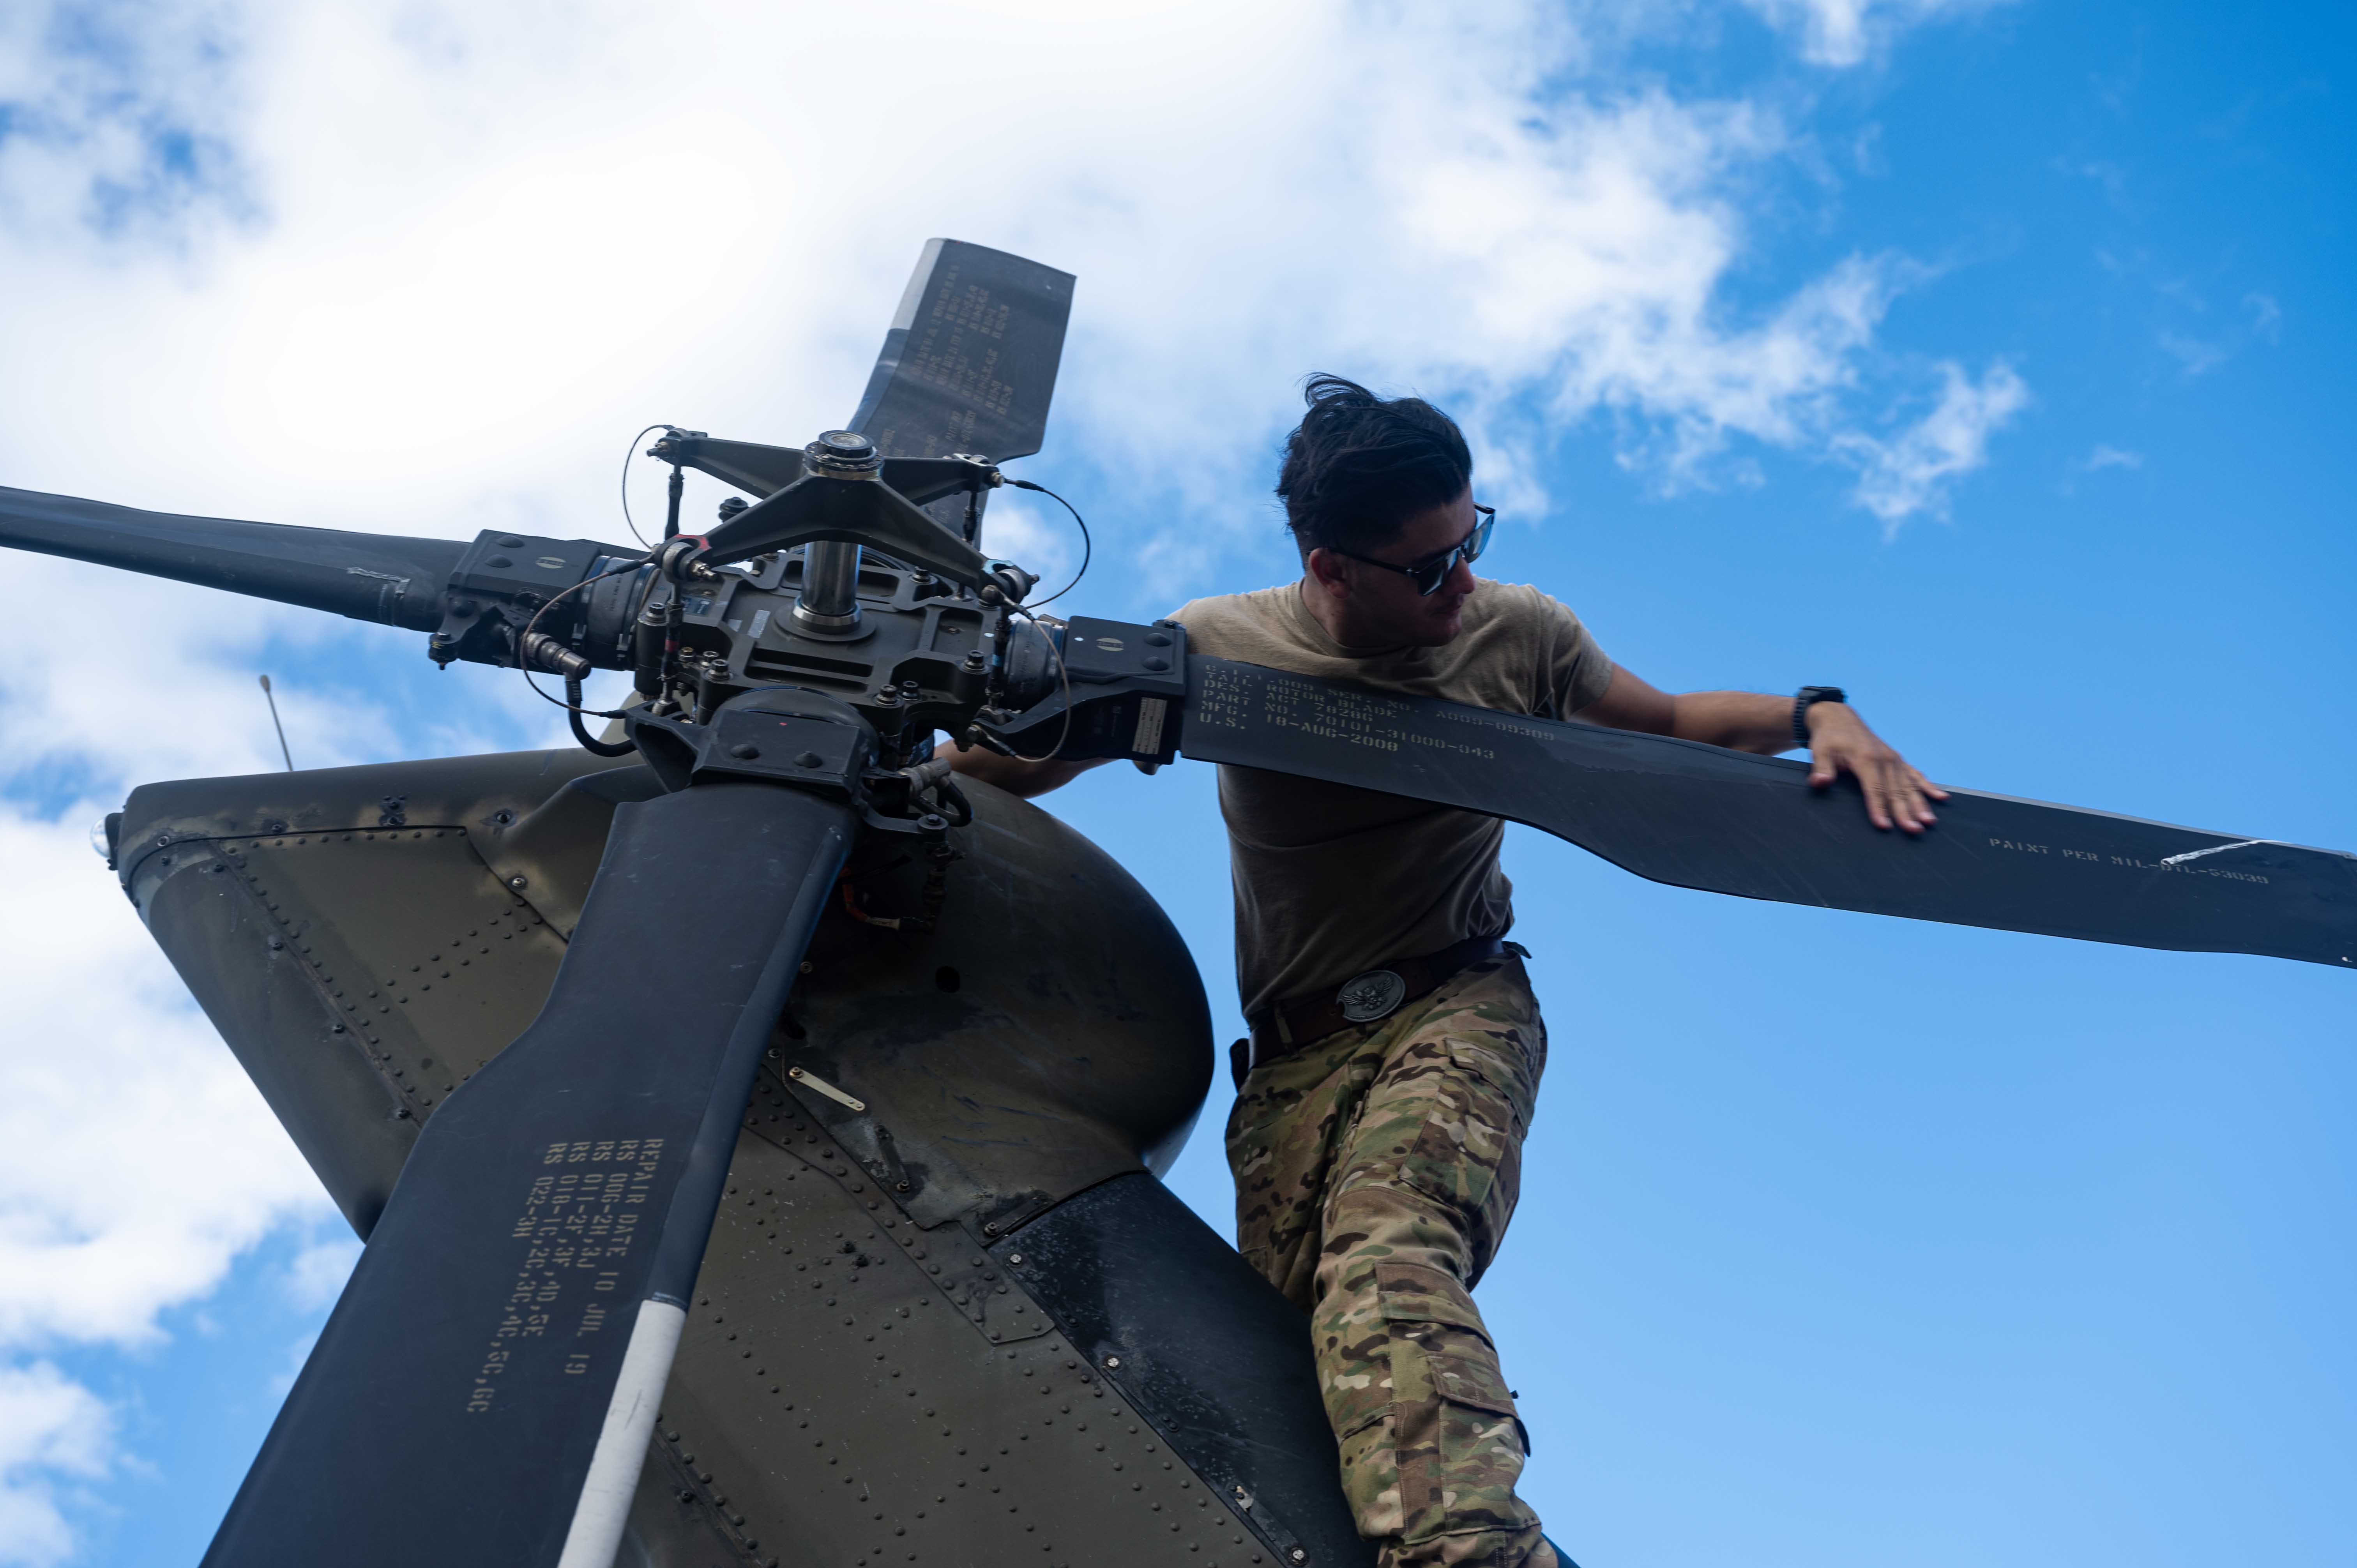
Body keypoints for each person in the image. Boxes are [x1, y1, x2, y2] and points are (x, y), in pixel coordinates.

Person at [951, 375, 1944, 1568]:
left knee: (1389, 1255)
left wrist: (1818, 713)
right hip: (1292, 1074)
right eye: (1429, 569)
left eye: (1472, 543)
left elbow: (1670, 724)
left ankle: (1475, 1552)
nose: (1462, 583)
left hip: (1457, 1005)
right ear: (1330, 568)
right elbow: (1016, 767)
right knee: (1288, 1383)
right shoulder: (1216, 647)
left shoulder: (1518, 634)